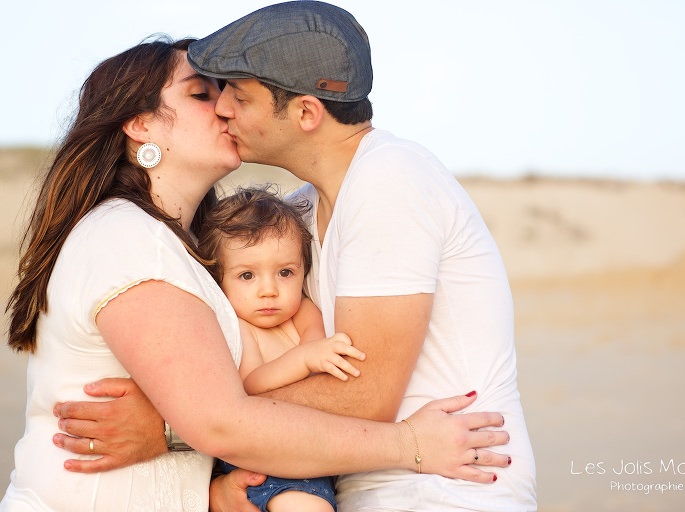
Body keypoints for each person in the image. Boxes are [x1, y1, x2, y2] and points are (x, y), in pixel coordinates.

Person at [0, 35, 512, 512]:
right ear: (141, 125)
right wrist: (411, 444)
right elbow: (219, 419)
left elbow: (204, 410)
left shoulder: (187, 250)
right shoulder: (129, 237)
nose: (225, 107)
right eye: (202, 94)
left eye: (229, 93)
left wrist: (208, 487)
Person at [197, 186, 367, 511]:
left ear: (303, 270)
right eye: (247, 275)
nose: (269, 291)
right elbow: (252, 384)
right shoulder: (237, 326)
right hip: (265, 458)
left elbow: (318, 348)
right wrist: (304, 360)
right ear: (219, 280)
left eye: (285, 273)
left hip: (311, 449)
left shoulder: (303, 310)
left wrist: (313, 354)